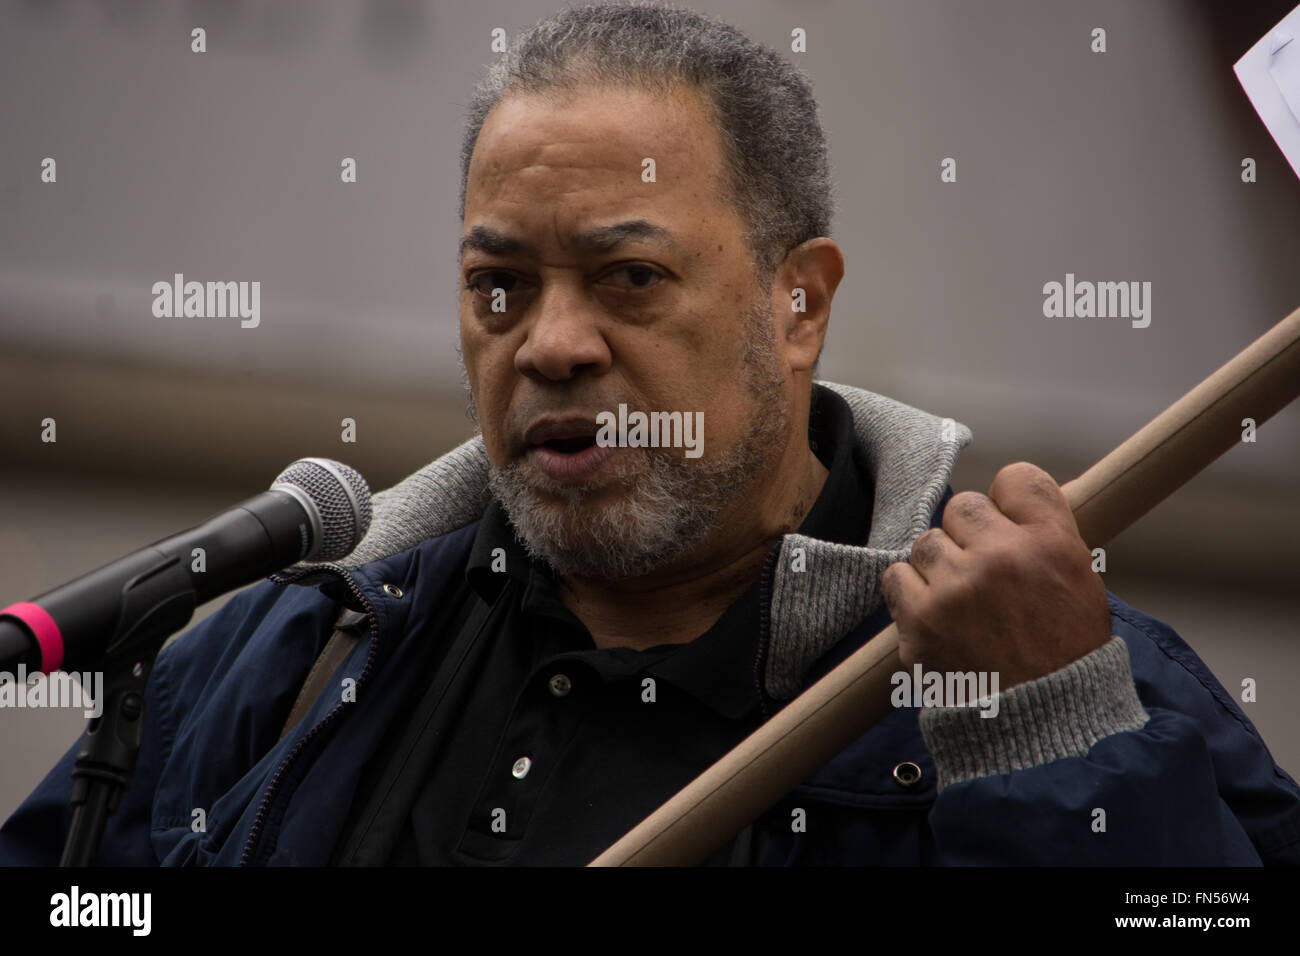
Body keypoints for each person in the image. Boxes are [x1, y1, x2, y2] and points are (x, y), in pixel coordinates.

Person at [3, 1, 1297, 866]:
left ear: (801, 306)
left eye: (627, 279)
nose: (550, 343)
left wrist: (1053, 743)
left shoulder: (1051, 668)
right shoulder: (269, 664)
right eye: (498, 285)